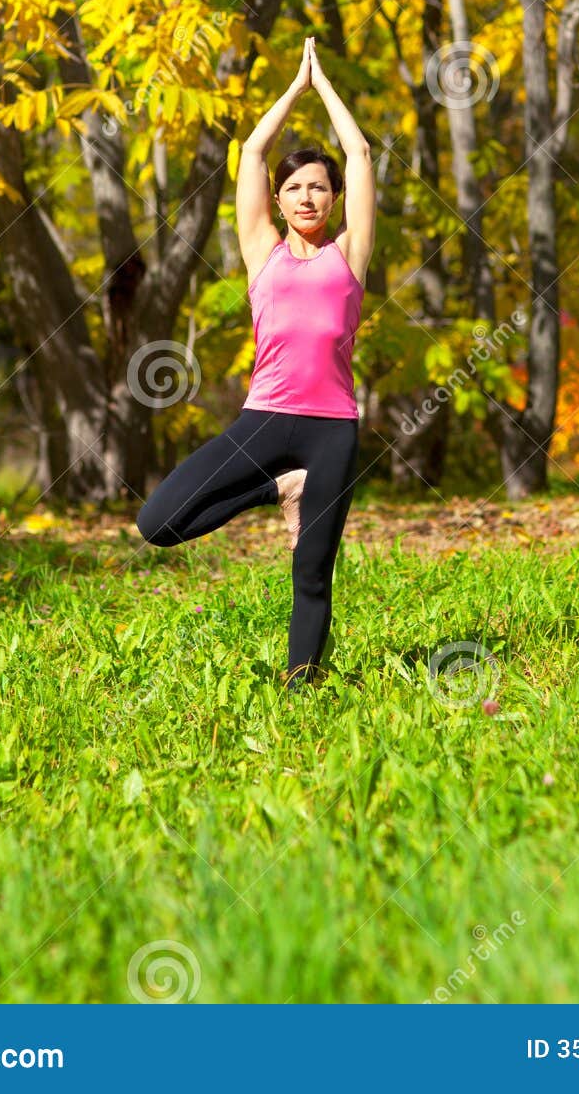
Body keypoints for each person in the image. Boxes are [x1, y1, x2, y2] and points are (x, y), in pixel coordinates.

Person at [136, 36, 376, 690]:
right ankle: (278, 488)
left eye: (318, 188)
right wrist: (293, 87)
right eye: (294, 187)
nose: (306, 197)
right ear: (278, 200)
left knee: (312, 571)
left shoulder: (348, 255)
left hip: (330, 428)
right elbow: (249, 153)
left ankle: (301, 688)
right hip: (264, 419)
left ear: (332, 199)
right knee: (157, 522)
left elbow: (358, 153)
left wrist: (325, 84)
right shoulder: (260, 251)